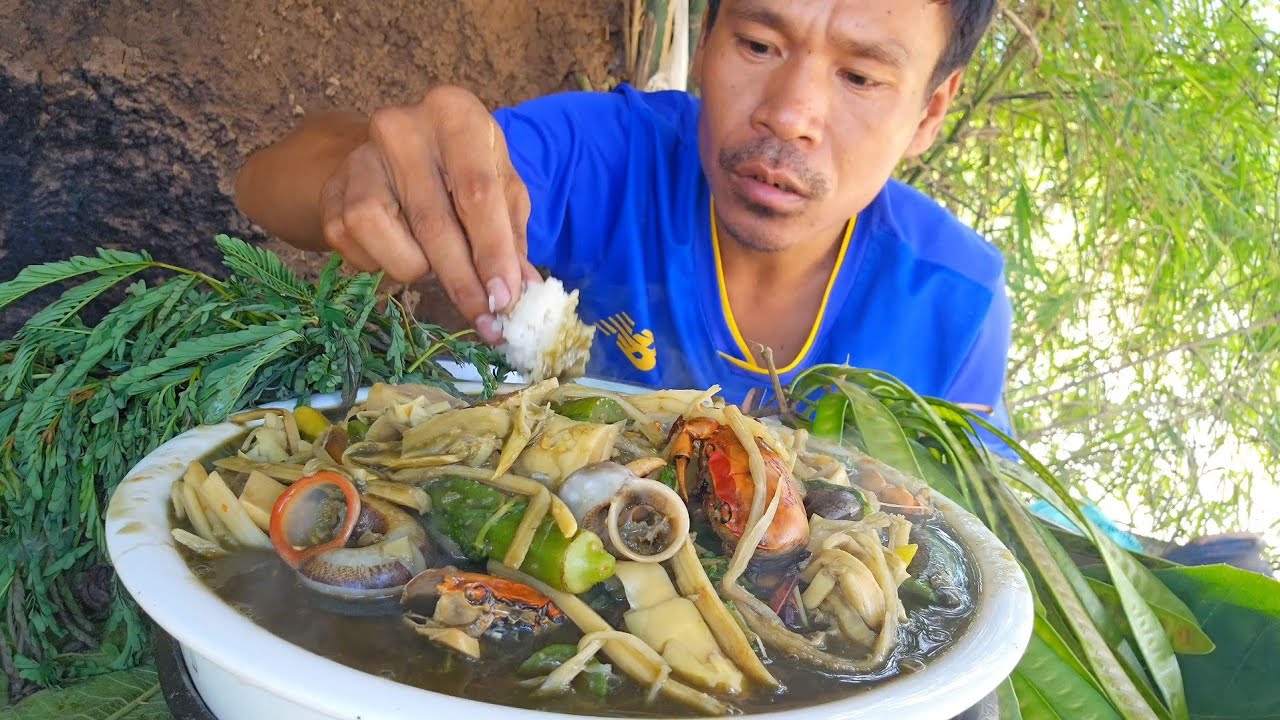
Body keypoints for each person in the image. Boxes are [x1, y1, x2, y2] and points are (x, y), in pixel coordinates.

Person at [234, 0, 1015, 442]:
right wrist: (362, 174)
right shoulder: (610, 157)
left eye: (859, 75)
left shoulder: (956, 313)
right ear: (705, 41)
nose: (790, 116)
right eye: (757, 43)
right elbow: (261, 185)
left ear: (929, 113)